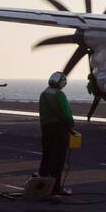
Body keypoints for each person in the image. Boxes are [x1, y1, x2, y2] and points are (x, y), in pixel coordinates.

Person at [38, 71, 75, 199]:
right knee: (58, 160)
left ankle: (41, 187)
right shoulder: (59, 95)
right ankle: (55, 188)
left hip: (46, 129)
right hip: (59, 130)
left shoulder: (44, 93)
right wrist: (71, 124)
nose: (65, 84)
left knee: (46, 157)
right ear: (60, 82)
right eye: (64, 82)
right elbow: (66, 113)